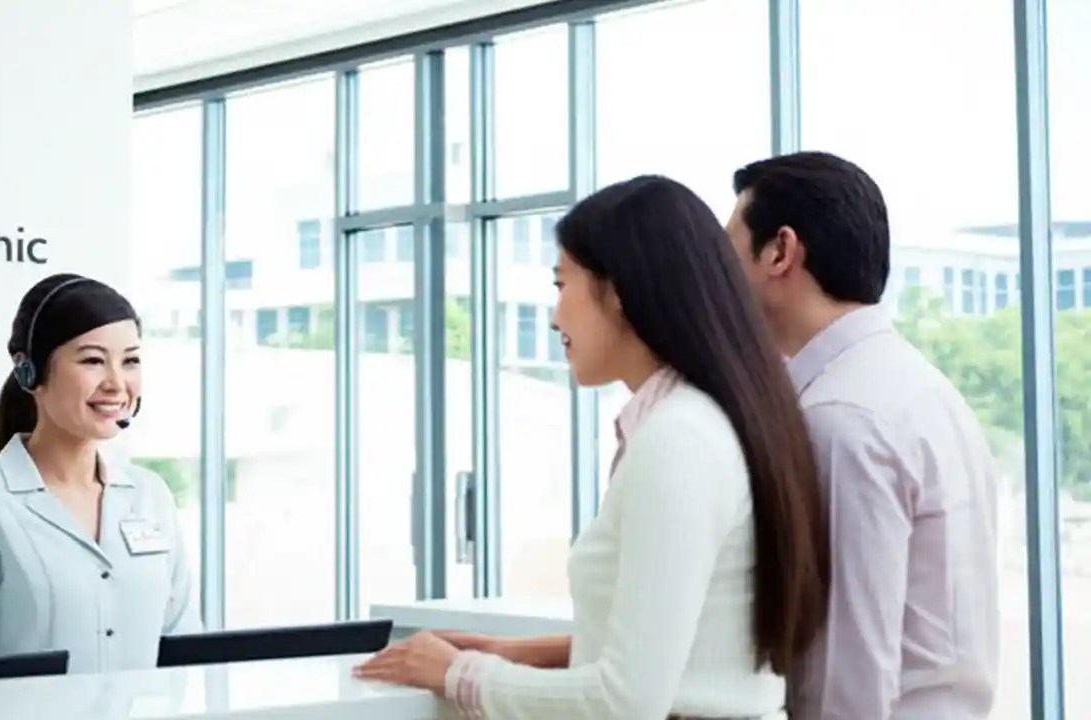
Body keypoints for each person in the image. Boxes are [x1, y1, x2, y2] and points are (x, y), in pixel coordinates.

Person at [354, 175, 831, 719]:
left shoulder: (680, 439)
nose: (556, 316)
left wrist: (458, 673)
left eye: (562, 286)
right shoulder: (706, 423)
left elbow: (625, 701)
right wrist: (521, 656)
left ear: (619, 291)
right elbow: (693, 650)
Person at [724, 151, 1000, 719]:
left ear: (780, 251)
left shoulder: (841, 419)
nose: (721, 283)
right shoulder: (917, 387)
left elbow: (844, 672)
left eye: (729, 255)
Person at [0, 273, 200, 674]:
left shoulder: (151, 495)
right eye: (92, 361)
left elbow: (185, 652)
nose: (117, 384)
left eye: (131, 360)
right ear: (29, 373)